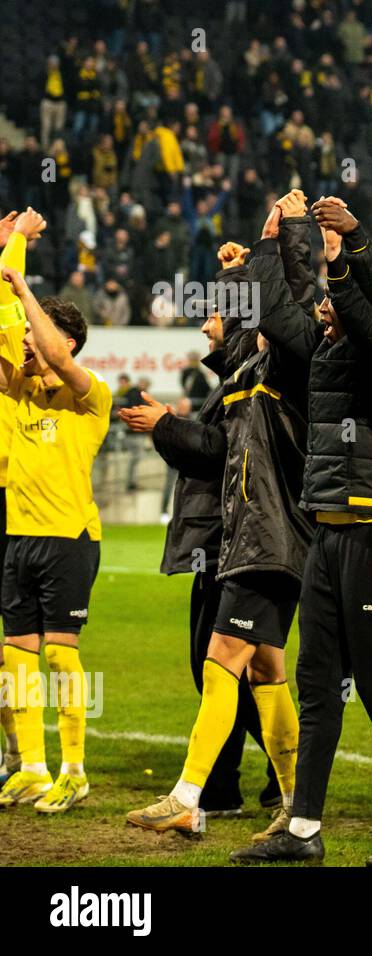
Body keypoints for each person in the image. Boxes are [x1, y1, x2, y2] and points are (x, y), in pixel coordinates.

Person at [233, 199, 372, 867]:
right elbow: (270, 309)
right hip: (329, 533)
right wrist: (272, 239)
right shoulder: (323, 352)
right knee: (317, 683)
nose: (321, 307)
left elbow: (367, 311)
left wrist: (342, 247)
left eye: (333, 298)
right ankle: (305, 828)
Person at [125, 195, 313, 849]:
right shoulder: (250, 369)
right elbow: (240, 338)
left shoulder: (292, 366)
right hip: (254, 536)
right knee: (265, 671)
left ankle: (186, 797)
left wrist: (276, 242)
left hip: (272, 537)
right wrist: (239, 272)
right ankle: (296, 806)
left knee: (220, 659)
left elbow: (282, 307)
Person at [119, 301, 277, 820]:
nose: (205, 324)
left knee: (221, 667)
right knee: (242, 670)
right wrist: (168, 427)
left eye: (214, 317)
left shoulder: (243, 385)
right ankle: (241, 785)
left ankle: (254, 784)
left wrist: (166, 423)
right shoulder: (230, 380)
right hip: (222, 538)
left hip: (230, 540)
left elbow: (218, 450)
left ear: (235, 327)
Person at [0, 216, 111, 814]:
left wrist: (22, 292)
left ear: (65, 342)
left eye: (38, 337)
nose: (25, 343)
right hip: (19, 537)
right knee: (17, 656)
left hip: (69, 538)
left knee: (60, 654)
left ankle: (75, 770)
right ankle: (35, 769)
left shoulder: (87, 392)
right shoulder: (16, 388)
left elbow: (49, 352)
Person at [0, 209, 46, 789]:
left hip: (14, 504)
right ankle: (15, 752)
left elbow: (10, 309)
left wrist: (12, 248)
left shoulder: (17, 372)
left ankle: (17, 752)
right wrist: (13, 244)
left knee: (19, 641)